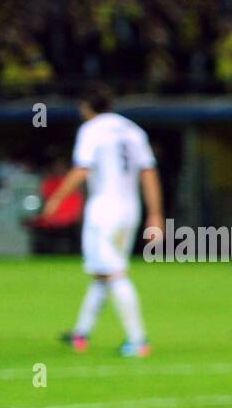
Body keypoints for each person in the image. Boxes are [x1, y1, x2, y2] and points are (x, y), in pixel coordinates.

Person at [43, 83, 162, 356]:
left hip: (103, 211)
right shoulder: (133, 130)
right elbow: (148, 173)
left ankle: (138, 340)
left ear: (85, 106)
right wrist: (155, 215)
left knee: (114, 273)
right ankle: (81, 334)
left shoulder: (91, 130)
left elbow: (82, 170)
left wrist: (56, 199)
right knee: (102, 272)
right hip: (129, 210)